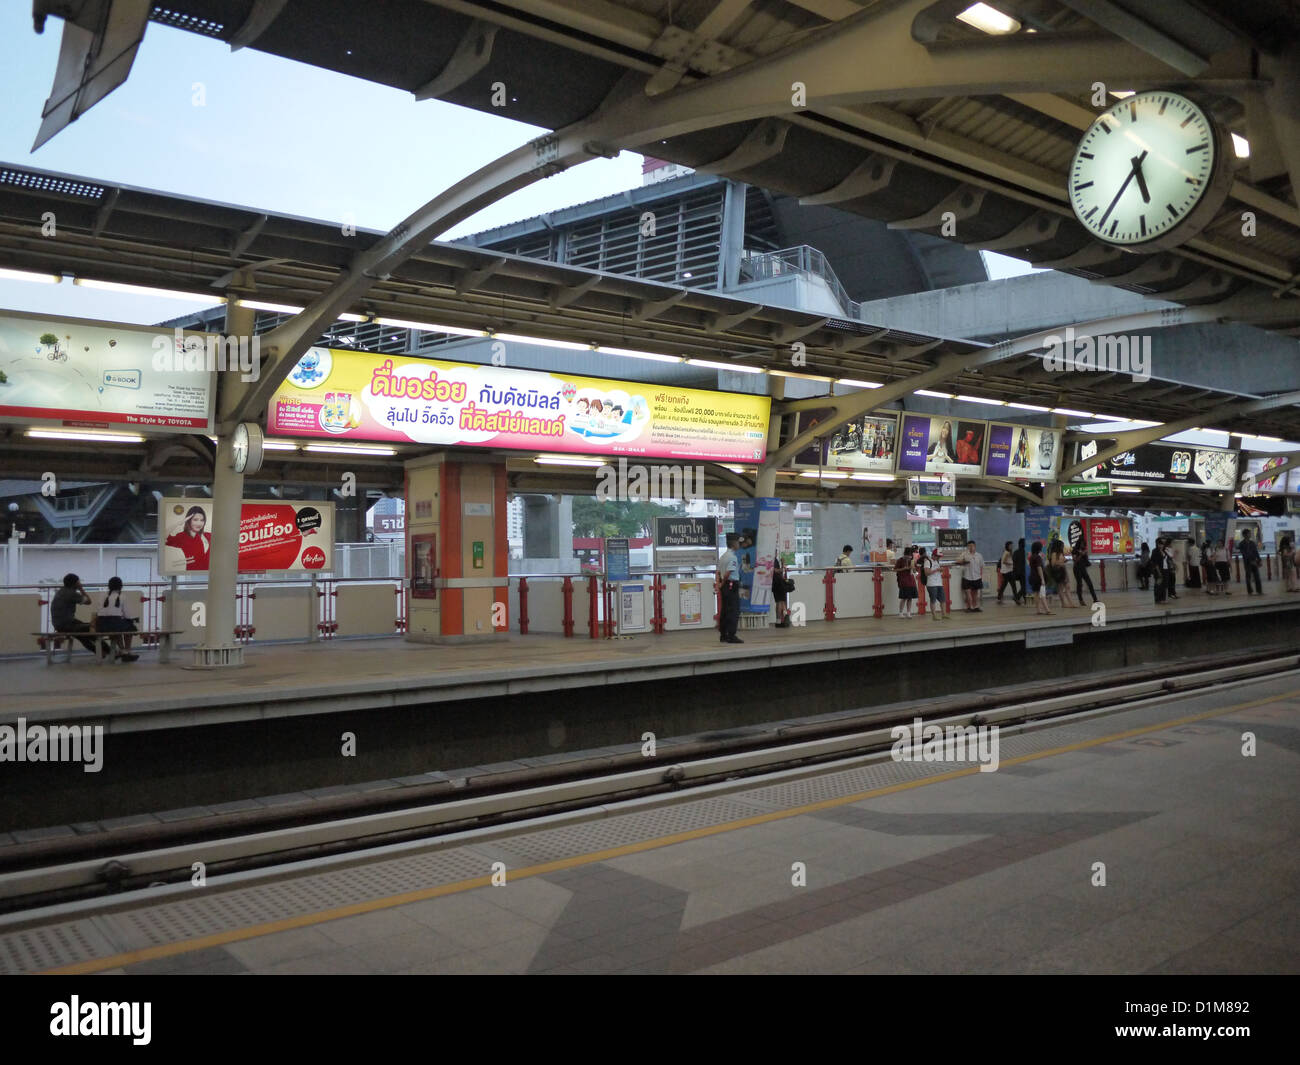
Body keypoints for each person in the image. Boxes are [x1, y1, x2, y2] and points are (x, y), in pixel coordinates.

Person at [49, 572, 99, 655]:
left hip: (58, 624)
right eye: (79, 582)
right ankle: (108, 652)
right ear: (75, 583)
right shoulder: (71, 593)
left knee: (83, 634)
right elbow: (89, 601)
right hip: (67, 624)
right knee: (91, 629)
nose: (80, 583)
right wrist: (81, 589)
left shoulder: (60, 591)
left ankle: (100, 652)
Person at [95, 576, 139, 662]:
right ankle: (127, 651)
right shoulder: (123, 596)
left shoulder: (102, 596)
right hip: (114, 624)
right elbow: (128, 615)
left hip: (101, 625)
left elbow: (99, 611)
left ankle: (122, 650)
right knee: (130, 627)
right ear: (121, 586)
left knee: (117, 627)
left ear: (109, 586)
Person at [165, 505, 211, 572]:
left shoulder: (209, 535)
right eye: (195, 520)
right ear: (189, 520)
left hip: (210, 574)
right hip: (191, 574)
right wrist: (179, 523)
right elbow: (163, 536)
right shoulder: (182, 536)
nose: (199, 523)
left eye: (202, 520)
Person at [716, 533, 743, 644]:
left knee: (725, 610)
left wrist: (718, 584)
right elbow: (728, 573)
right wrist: (722, 583)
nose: (739, 544)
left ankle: (723, 634)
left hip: (725, 585)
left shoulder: (723, 556)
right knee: (733, 610)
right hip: (731, 584)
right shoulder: (732, 557)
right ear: (734, 543)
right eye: (738, 542)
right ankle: (731, 635)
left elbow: (717, 572)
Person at [918, 547, 947, 622]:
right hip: (931, 584)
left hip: (939, 583)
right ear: (934, 555)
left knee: (943, 600)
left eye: (939, 556)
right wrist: (937, 570)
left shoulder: (937, 562)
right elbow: (927, 573)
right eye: (938, 556)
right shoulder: (927, 562)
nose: (939, 558)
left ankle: (944, 614)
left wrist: (939, 570)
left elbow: (936, 572)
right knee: (933, 600)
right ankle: (934, 616)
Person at [1048, 538, 1077, 608]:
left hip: (1063, 570)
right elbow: (1053, 563)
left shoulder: (1061, 553)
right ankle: (1064, 603)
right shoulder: (1054, 553)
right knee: (1061, 588)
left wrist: (1064, 561)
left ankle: (1071, 603)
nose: (1062, 547)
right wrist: (1061, 563)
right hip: (1059, 571)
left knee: (1067, 587)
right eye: (1062, 545)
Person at [1029, 542, 1053, 615]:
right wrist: (1042, 579)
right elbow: (1039, 568)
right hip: (1038, 577)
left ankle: (1038, 610)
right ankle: (1047, 609)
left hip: (1033, 577)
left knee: (1036, 593)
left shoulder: (1032, 557)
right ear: (1039, 548)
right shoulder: (1038, 557)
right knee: (1042, 593)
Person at [961, 540, 984, 612]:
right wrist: (963, 562)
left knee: (975, 593)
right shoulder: (964, 554)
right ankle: (970, 607)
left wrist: (981, 576)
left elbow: (982, 566)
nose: (971, 547)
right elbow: (958, 561)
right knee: (968, 593)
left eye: (972, 546)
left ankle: (976, 606)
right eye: (969, 546)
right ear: (967, 547)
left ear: (975, 546)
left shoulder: (979, 555)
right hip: (967, 576)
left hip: (977, 577)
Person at [895, 546, 918, 618]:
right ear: (905, 554)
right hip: (903, 581)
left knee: (910, 598)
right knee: (904, 598)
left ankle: (908, 612)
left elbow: (915, 571)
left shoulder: (912, 560)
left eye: (911, 555)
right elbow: (895, 569)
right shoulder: (900, 560)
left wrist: (914, 568)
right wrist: (904, 568)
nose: (909, 556)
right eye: (908, 555)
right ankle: (901, 613)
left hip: (911, 581)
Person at [1239, 529, 1262, 595]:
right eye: (1248, 533)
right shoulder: (1241, 544)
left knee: (1257, 577)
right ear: (1244, 535)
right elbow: (1244, 554)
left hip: (1254, 561)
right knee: (1248, 577)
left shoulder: (1252, 543)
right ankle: (1250, 591)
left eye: (1250, 533)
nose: (1250, 534)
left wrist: (1259, 560)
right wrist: (1250, 561)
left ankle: (1259, 590)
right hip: (1247, 562)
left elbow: (1256, 552)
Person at [772, 556, 793, 628]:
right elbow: (776, 571)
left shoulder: (772, 559)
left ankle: (780, 620)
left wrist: (782, 564)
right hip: (778, 583)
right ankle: (784, 618)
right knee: (780, 601)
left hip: (776, 583)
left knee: (780, 601)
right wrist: (783, 564)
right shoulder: (773, 560)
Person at [1011, 538, 1027, 605]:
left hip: (1016, 572)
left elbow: (1013, 561)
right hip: (1023, 571)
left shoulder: (1015, 552)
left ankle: (1024, 599)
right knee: (1024, 586)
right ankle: (1017, 597)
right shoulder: (1025, 552)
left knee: (1023, 586)